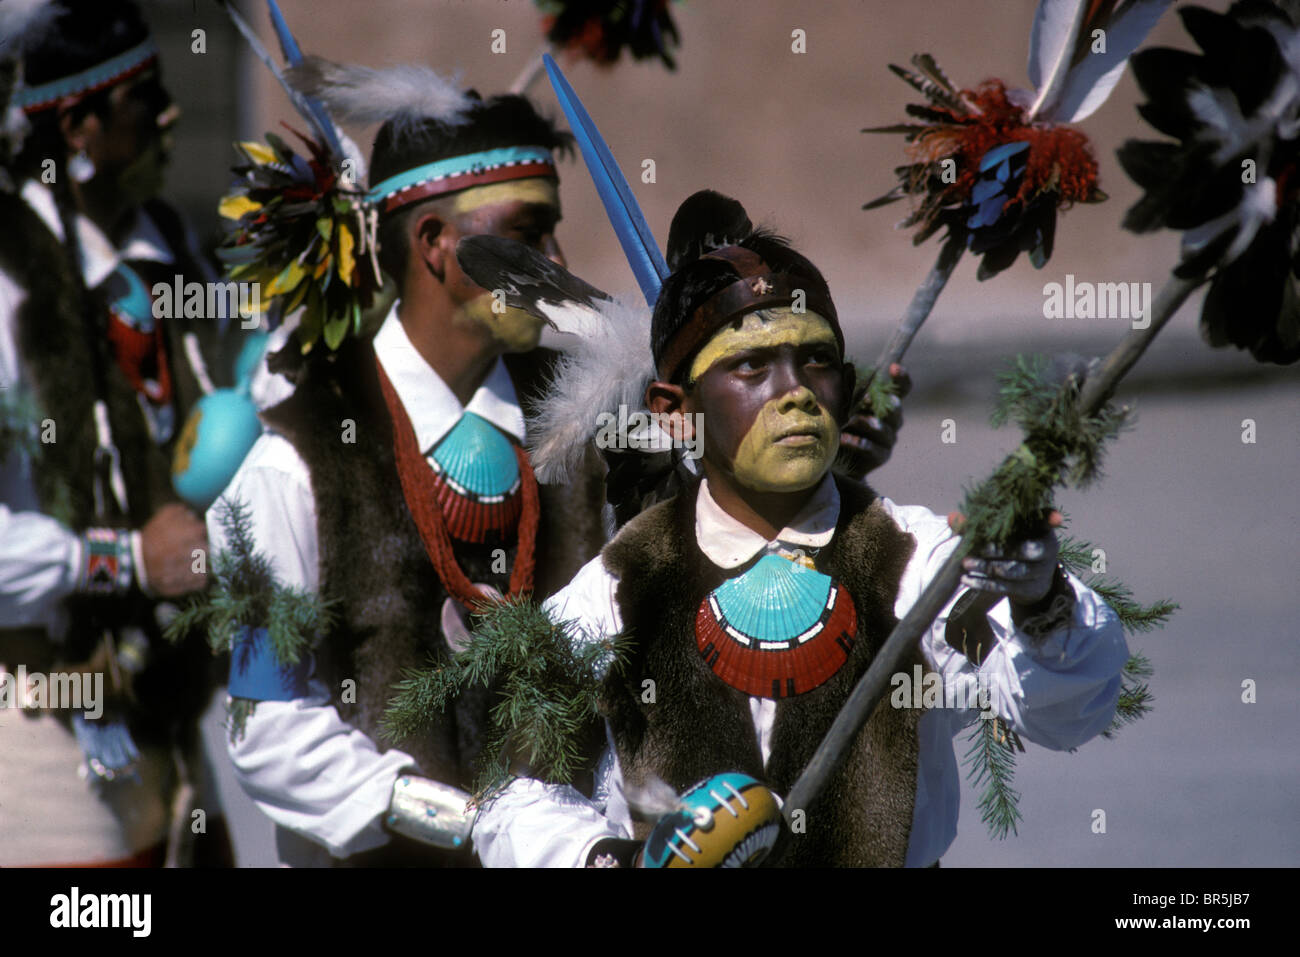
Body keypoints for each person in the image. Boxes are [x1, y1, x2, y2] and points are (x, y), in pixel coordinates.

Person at [470, 191, 1131, 867]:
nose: (795, 391)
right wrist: (603, 857)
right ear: (673, 409)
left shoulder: (917, 562)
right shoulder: (615, 590)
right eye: (752, 365)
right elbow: (510, 793)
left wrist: (1040, 598)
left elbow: (1065, 712)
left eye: (815, 361)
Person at [209, 69, 611, 865]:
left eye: (554, 234)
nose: (557, 261)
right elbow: (269, 726)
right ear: (435, 243)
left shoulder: (591, 433)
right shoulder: (292, 462)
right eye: (528, 236)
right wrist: (455, 818)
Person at [0, 0, 231, 866]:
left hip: (161, 707)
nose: (170, 112)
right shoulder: (7, 274)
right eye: (146, 93)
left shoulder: (169, 247)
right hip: (37, 722)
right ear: (77, 123)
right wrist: (126, 560)